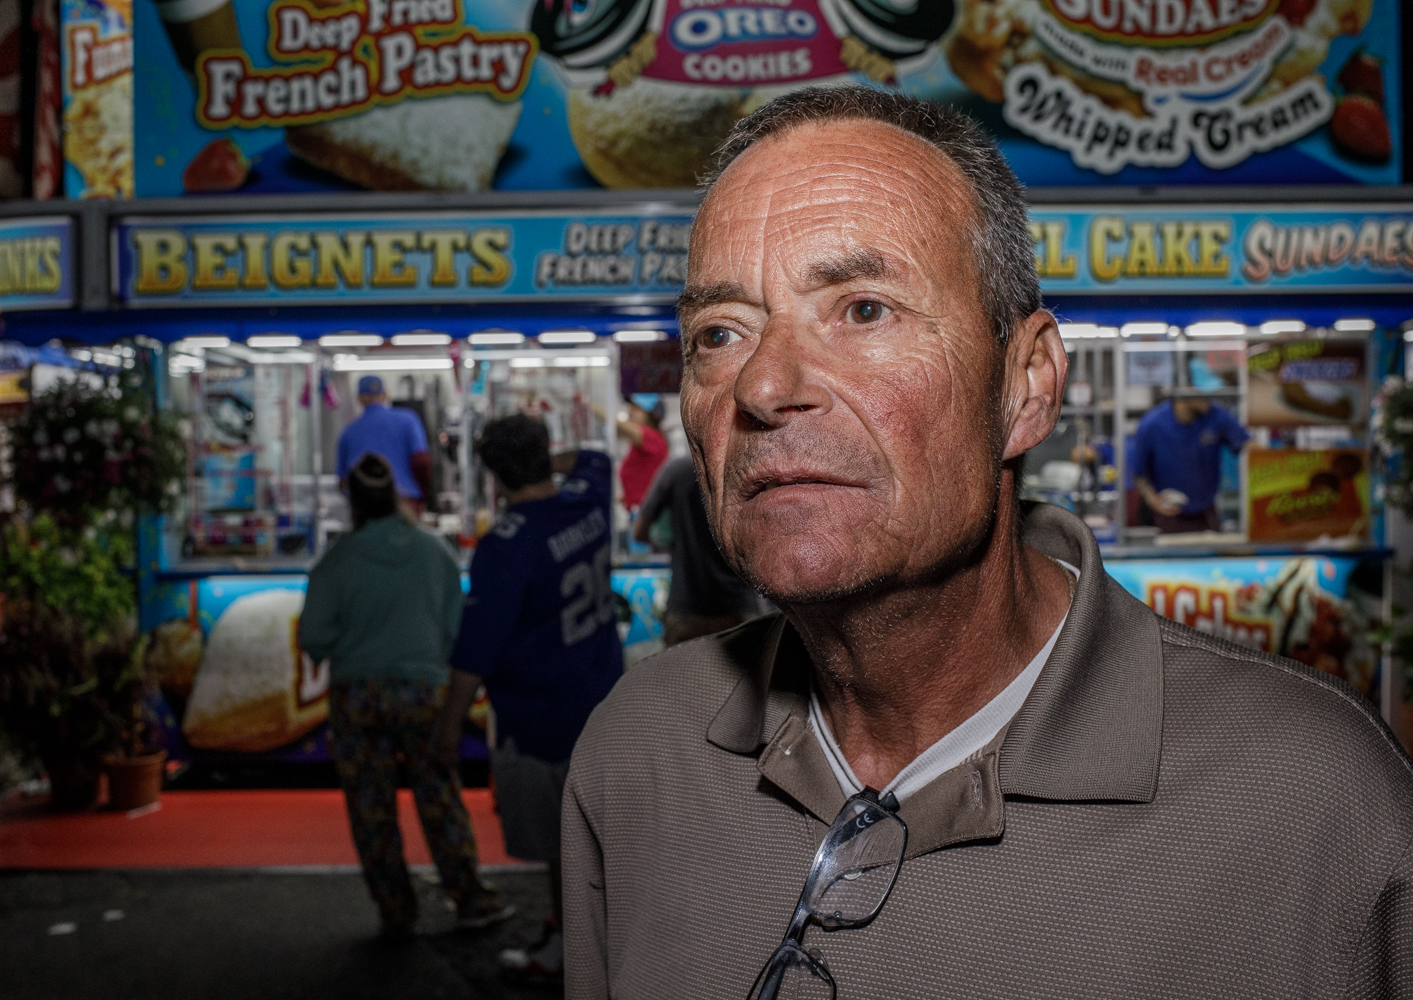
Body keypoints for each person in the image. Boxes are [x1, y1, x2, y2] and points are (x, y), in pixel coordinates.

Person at [562, 87, 1412, 999]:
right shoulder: (634, 754)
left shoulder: (1315, 798)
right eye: (719, 333)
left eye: (863, 310)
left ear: (1026, 386)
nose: (764, 386)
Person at [436, 414, 624, 983]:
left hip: (544, 715)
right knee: (598, 837)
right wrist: (546, 460)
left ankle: (573, 954)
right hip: (602, 697)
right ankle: (592, 940)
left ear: (493, 475)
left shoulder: (507, 545)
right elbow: (596, 459)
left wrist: (446, 729)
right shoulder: (587, 502)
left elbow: (476, 651)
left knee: (565, 846)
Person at [298, 454, 512, 940]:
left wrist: (351, 643)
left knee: (370, 808)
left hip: (356, 695)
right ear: (396, 497)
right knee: (439, 797)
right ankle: (470, 898)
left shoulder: (336, 560)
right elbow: (458, 627)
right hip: (424, 691)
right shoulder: (432, 551)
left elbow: (313, 635)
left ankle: (396, 910)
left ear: (352, 504)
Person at [634, 456, 767, 645]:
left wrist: (670, 540)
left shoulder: (675, 471)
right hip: (738, 607)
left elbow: (640, 531)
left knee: (683, 674)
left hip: (686, 607)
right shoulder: (745, 467)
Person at [1134, 394, 1249, 533]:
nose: (1209, 397)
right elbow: (1139, 475)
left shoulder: (1216, 415)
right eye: (1202, 392)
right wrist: (1153, 500)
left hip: (1206, 511)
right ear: (1183, 394)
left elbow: (1248, 445)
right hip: (1167, 514)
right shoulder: (1152, 424)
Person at [336, 375, 433, 515]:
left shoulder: (348, 432)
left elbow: (343, 482)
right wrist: (423, 498)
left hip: (366, 508)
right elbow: (421, 462)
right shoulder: (408, 420)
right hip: (404, 503)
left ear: (359, 398)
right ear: (385, 395)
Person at [616, 394, 668, 509]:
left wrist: (589, 405)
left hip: (649, 514)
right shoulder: (641, 445)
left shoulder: (653, 438)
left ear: (652, 415)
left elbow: (621, 426)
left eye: (637, 408)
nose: (630, 412)